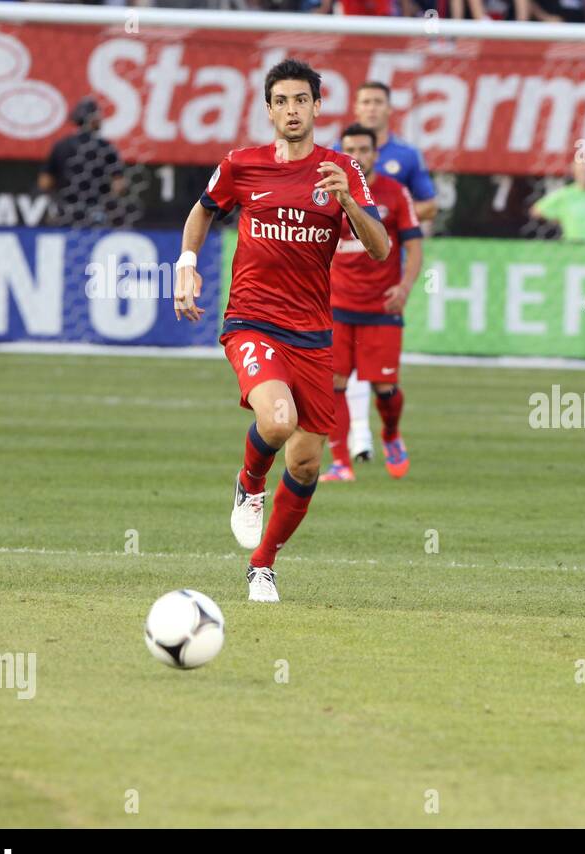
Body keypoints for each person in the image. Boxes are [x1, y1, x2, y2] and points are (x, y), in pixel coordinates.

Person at [173, 59, 389, 603]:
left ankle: (262, 564)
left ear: (318, 107)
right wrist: (186, 265)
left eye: (301, 100)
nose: (292, 110)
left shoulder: (341, 168)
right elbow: (201, 214)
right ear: (269, 110)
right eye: (281, 101)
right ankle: (248, 484)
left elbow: (380, 247)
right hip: (252, 321)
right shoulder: (241, 165)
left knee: (307, 462)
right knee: (277, 419)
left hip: (313, 333)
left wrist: (345, 200)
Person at [321, 125, 424, 482]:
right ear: (340, 152)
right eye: (350, 150)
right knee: (333, 382)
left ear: (376, 153)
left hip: (381, 308)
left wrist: (405, 287)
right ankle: (340, 463)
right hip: (335, 306)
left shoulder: (395, 193)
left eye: (364, 149)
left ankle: (391, 434)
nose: (358, 157)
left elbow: (413, 244)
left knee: (385, 388)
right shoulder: (325, 191)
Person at [346, 81, 438, 463]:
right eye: (364, 101)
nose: (370, 107)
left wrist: (391, 221)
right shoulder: (339, 155)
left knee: (382, 378)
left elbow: (428, 206)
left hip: (384, 274)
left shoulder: (405, 157)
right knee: (339, 370)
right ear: (356, 106)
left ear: (388, 108)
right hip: (341, 279)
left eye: (377, 101)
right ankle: (356, 439)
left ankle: (378, 434)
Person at [38, 97, 128, 228]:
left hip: (64, 212)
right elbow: (119, 185)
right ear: (92, 119)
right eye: (98, 115)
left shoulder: (61, 145)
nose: (101, 119)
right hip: (96, 214)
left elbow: (44, 183)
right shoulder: (105, 147)